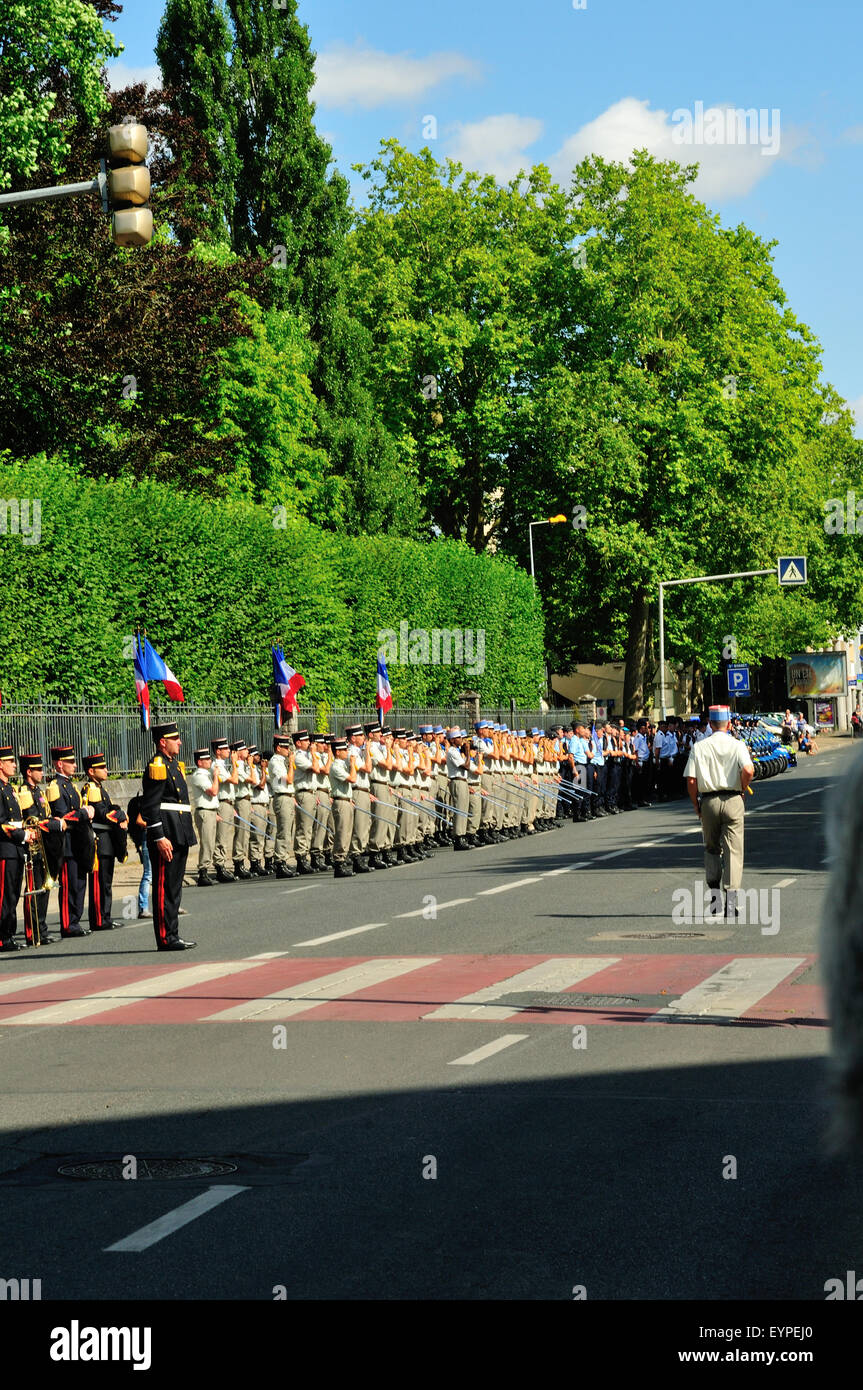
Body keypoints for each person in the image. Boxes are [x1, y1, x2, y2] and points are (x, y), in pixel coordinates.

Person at [684, 704, 755, 919]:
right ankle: (731, 904)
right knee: (734, 851)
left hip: (709, 801)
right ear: (729, 724)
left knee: (711, 848)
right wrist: (742, 787)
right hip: (733, 799)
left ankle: (715, 901)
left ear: (710, 724)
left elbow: (691, 779)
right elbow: (749, 769)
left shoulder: (700, 746)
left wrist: (696, 804)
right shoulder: (737, 745)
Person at [140, 720, 197, 951]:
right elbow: (151, 806)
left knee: (174, 888)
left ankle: (173, 934)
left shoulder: (174, 765)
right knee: (164, 887)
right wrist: (159, 837)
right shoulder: (158, 765)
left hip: (179, 830)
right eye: (175, 739)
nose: (180, 742)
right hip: (167, 832)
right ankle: (165, 937)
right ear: (163, 742)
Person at [46, 744, 95, 938]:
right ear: (60, 764)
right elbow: (62, 817)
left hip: (79, 841)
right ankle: (68, 923)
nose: (75, 765)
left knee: (80, 883)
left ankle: (75, 920)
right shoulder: (55, 787)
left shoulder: (72, 786)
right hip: (66, 843)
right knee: (70, 885)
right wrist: (84, 813)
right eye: (70, 762)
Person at [16, 753, 60, 945]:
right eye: (38, 770)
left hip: (45, 846)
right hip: (33, 847)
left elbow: (46, 813)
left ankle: (42, 928)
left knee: (44, 888)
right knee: (34, 890)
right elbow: (32, 819)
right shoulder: (24, 792)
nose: (42, 772)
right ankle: (33, 931)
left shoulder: (39, 792)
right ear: (28, 772)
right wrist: (51, 825)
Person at [81, 753, 128, 931]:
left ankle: (105, 916)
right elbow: (101, 812)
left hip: (107, 839)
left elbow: (108, 809)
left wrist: (117, 811)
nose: (106, 770)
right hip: (99, 839)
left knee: (106, 882)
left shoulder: (99, 788)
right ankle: (99, 919)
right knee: (99, 883)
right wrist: (120, 815)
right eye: (102, 767)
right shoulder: (91, 788)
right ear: (91, 771)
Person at [0, 744, 37, 952]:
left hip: (16, 849)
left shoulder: (9, 789)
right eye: (10, 762)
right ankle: (1, 936)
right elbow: (2, 823)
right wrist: (23, 834)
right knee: (4, 895)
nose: (15, 765)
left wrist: (26, 833)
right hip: (5, 848)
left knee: (13, 895)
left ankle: (8, 935)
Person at [189, 747, 219, 886]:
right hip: (204, 811)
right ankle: (203, 871)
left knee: (211, 842)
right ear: (199, 762)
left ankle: (206, 868)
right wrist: (216, 776)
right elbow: (213, 791)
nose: (209, 761)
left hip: (211, 810)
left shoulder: (206, 774)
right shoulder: (199, 775)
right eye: (206, 759)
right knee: (206, 842)